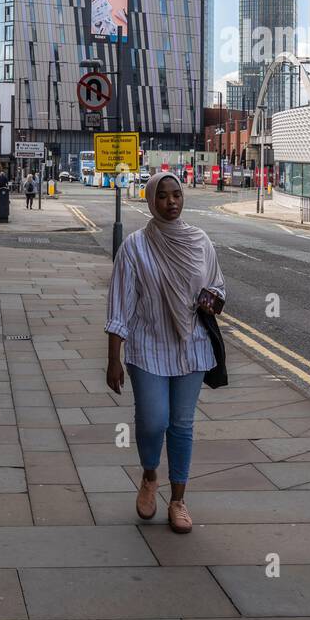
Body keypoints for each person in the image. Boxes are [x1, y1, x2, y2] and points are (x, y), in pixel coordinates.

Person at [105, 171, 225, 533]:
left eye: (177, 195)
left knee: (182, 425)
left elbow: (217, 285)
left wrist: (213, 300)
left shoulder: (200, 241)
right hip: (148, 347)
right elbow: (119, 306)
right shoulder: (135, 246)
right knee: (153, 420)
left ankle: (177, 500)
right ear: (150, 200)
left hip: (191, 346)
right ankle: (149, 475)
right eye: (163, 196)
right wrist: (114, 359)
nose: (171, 202)